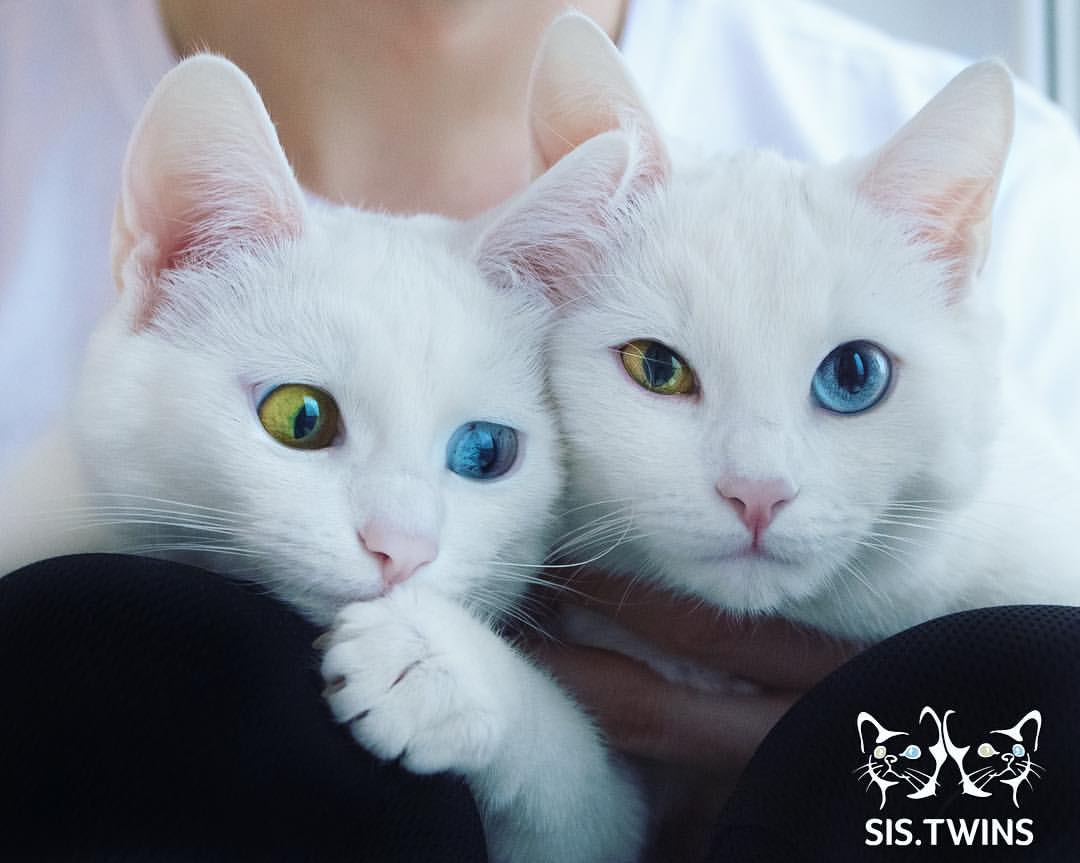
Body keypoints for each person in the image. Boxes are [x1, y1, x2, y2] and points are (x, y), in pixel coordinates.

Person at [2, 1, 1079, 859]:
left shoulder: (1024, 195)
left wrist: (942, 781)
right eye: (659, 369)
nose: (757, 479)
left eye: (481, 453)